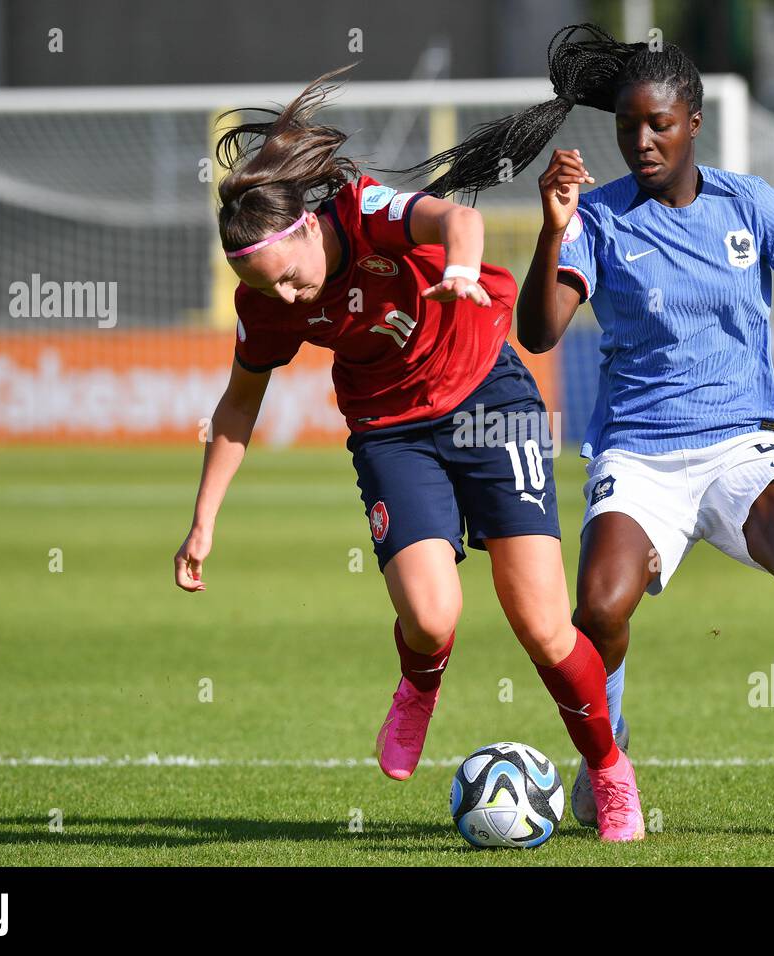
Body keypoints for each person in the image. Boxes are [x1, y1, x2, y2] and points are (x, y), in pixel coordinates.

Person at [393, 25, 774, 839]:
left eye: (657, 124)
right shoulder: (600, 219)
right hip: (638, 454)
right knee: (599, 607)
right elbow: (541, 334)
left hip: (745, 447)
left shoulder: (749, 202)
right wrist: (553, 228)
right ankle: (606, 765)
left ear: (693, 122)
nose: (640, 140)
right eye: (626, 126)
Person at [173, 67, 644, 841]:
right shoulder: (263, 299)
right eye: (271, 290)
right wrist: (203, 522)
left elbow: (460, 225)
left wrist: (459, 274)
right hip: (391, 427)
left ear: (307, 229)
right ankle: (418, 685)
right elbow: (237, 407)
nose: (289, 300)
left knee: (543, 628)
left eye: (291, 278)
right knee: (430, 618)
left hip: (490, 400)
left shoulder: (363, 213)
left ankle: (609, 771)